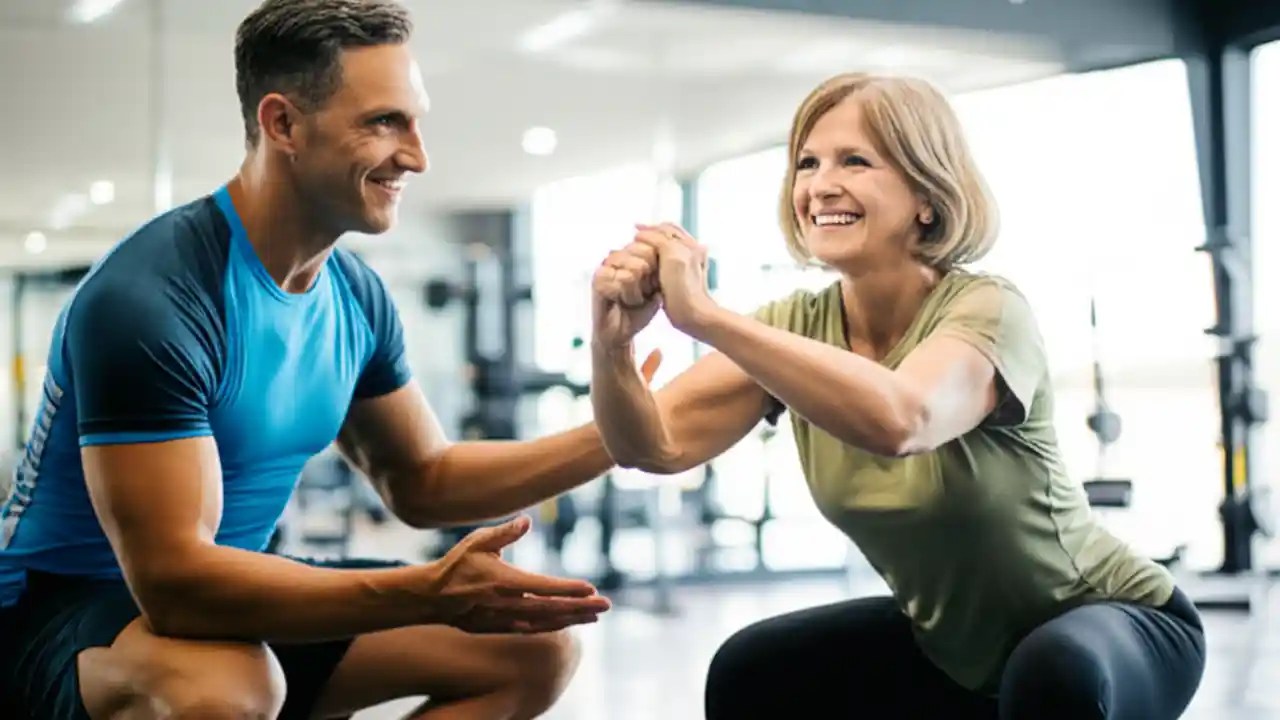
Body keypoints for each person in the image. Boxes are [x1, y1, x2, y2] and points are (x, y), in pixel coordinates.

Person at [0, 1, 661, 718]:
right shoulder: (152, 295)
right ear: (283, 123)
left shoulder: (352, 296)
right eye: (384, 122)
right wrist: (428, 591)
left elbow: (423, 480)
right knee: (225, 691)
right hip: (65, 620)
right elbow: (173, 583)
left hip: (232, 593)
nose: (417, 155)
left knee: (533, 649)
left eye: (415, 120)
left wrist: (614, 437)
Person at [590, 72, 1207, 719]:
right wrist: (611, 347)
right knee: (754, 672)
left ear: (926, 194)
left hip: (1110, 624)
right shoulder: (788, 330)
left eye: (855, 160)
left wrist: (709, 318)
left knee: (1052, 676)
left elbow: (903, 419)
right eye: (807, 163)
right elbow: (651, 445)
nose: (820, 184)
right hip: (954, 652)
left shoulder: (986, 308)